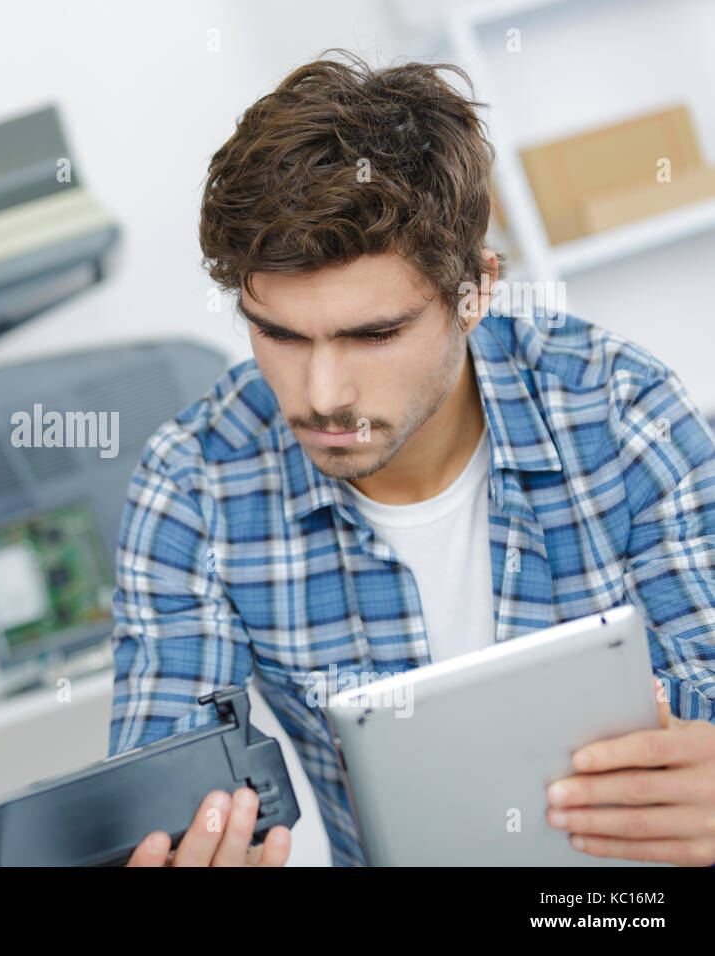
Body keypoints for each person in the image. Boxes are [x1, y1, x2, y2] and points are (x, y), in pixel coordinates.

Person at [118, 52, 715, 867]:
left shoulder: (620, 413)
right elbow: (168, 776)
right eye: (280, 334)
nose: (322, 394)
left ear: (475, 290)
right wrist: (177, 848)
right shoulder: (195, 481)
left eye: (374, 335)